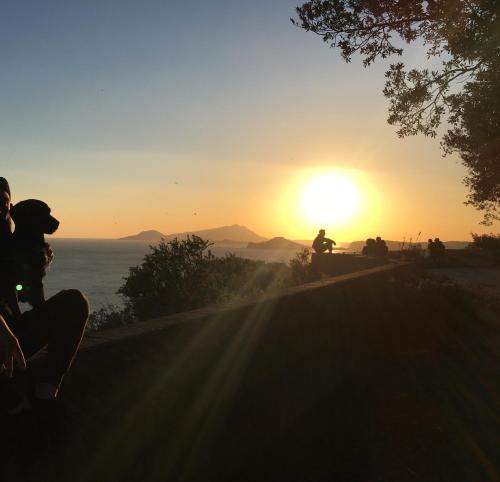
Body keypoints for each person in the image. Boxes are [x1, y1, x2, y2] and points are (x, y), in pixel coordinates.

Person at [0, 177, 89, 450]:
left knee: (75, 302)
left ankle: (46, 391)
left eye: (2, 202)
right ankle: (16, 406)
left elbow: (23, 292)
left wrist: (33, 269)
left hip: (14, 340)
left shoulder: (13, 246)